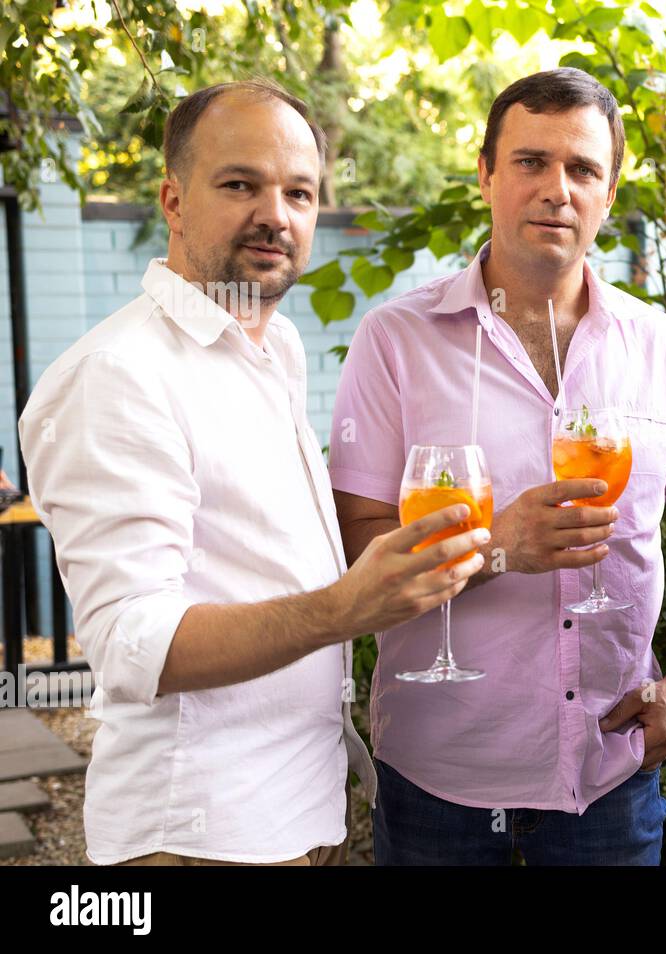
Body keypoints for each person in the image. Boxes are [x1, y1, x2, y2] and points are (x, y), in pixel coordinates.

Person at [18, 79, 484, 866]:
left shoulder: (275, 346)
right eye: (240, 184)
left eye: (298, 191)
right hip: (200, 833)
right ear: (172, 199)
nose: (276, 213)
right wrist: (345, 606)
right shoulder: (118, 374)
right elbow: (137, 641)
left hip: (302, 810)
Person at [330, 68, 666, 865]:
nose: (557, 188)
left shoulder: (663, 351)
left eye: (583, 169)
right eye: (530, 161)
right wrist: (498, 547)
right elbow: (356, 550)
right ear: (485, 174)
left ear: (609, 193)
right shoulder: (396, 342)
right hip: (439, 781)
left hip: (609, 776)